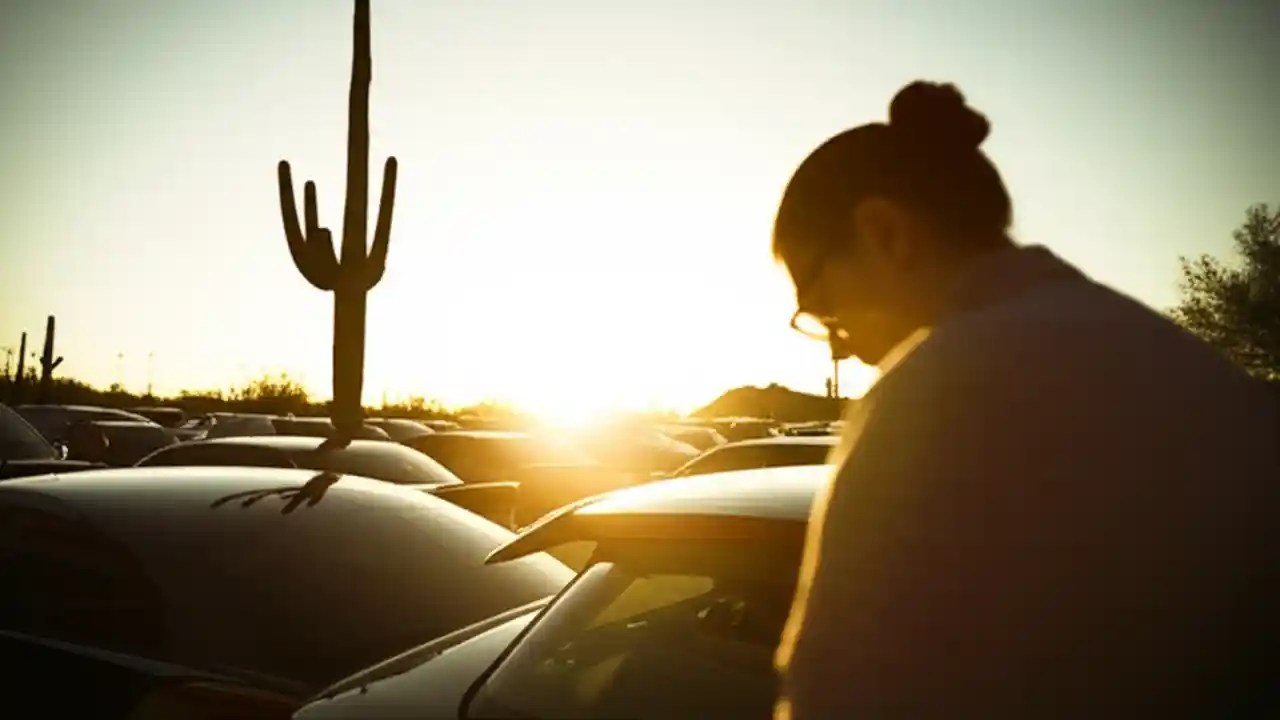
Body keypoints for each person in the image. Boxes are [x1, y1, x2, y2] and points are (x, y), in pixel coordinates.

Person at [771, 80, 1278, 718]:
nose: (846, 348)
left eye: (825, 306)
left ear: (885, 233)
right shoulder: (1190, 368)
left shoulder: (932, 399)